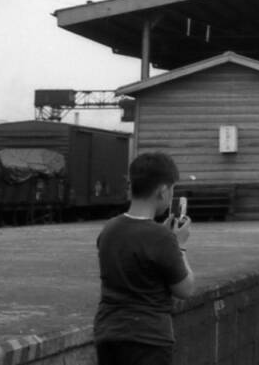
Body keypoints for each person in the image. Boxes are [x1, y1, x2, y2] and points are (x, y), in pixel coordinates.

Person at [94, 152, 195, 365]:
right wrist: (180, 246)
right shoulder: (162, 238)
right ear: (162, 190)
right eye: (172, 189)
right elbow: (185, 289)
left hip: (108, 332)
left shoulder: (109, 229)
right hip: (148, 338)